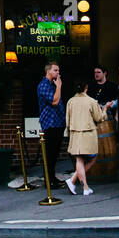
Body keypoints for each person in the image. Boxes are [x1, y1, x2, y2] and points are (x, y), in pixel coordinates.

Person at [65, 82, 106, 196]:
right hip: (88, 134)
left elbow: (67, 121)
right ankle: (84, 187)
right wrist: (105, 110)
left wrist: (69, 134)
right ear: (86, 88)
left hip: (75, 133)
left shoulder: (70, 101)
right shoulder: (91, 101)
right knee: (92, 158)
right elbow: (99, 118)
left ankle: (74, 181)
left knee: (79, 159)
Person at [36, 61, 67, 189]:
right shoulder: (43, 85)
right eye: (55, 70)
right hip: (50, 123)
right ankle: (48, 181)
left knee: (55, 154)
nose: (58, 73)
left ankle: (53, 178)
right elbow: (54, 101)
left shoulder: (53, 84)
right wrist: (59, 86)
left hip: (58, 122)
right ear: (48, 71)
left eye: (58, 71)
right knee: (49, 153)